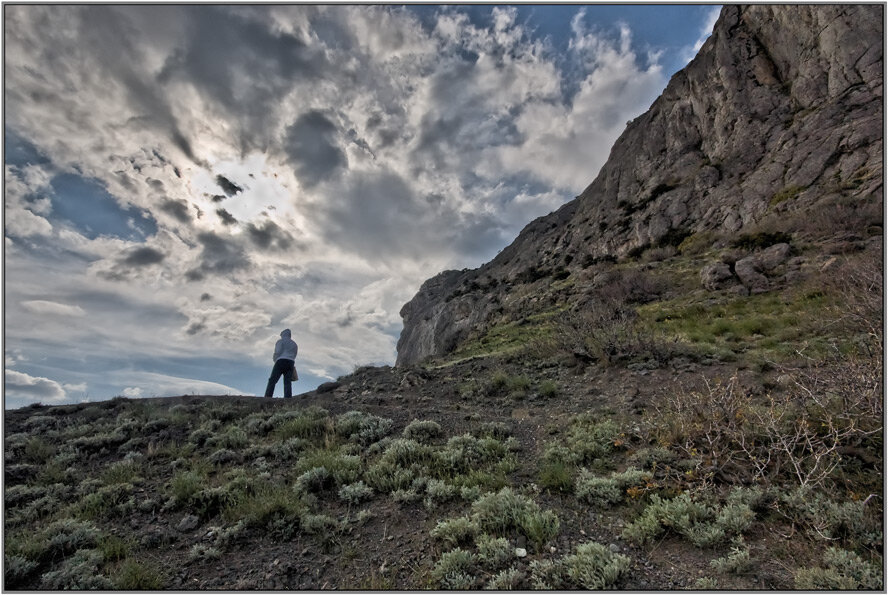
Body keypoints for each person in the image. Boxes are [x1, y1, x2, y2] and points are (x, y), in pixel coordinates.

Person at [264, 328, 298, 398]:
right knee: (287, 381)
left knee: (272, 380)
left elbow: (277, 352)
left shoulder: (280, 341)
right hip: (291, 362)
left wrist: (275, 359)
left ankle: (268, 396)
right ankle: (288, 398)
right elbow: (295, 354)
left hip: (281, 361)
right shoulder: (294, 344)